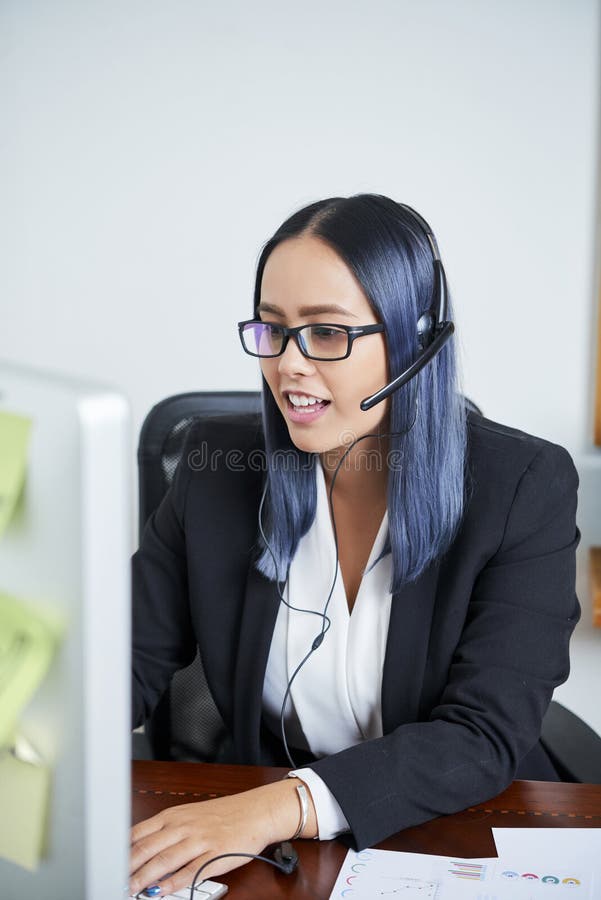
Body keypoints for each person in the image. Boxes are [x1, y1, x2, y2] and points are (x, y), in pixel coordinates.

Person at [129, 194, 580, 897]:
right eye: (272, 330)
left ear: (415, 340)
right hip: (274, 857)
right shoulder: (212, 469)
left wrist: (280, 805)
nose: (289, 367)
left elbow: (481, 734)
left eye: (328, 334)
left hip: (454, 832)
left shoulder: (521, 487)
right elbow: (124, 661)